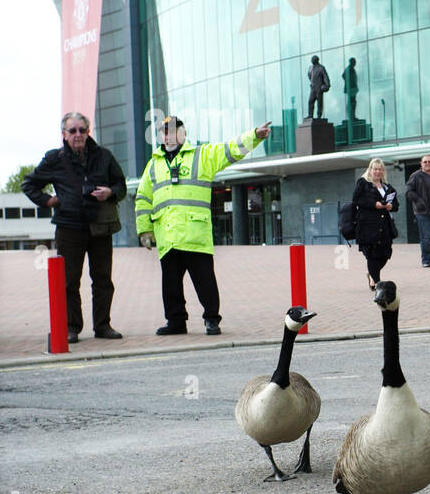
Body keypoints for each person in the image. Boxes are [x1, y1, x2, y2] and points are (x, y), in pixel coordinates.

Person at [135, 115, 271, 335]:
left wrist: (253, 136)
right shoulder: (154, 164)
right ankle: (176, 322)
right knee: (170, 285)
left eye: (172, 130)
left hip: (194, 234)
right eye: (164, 132)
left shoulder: (202, 155)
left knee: (205, 281)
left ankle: (211, 319)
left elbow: (230, 150)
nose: (167, 135)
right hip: (167, 236)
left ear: (183, 133)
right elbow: (143, 198)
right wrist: (144, 230)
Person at [22, 112, 127, 343]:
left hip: (100, 226)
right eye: (73, 130)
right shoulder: (54, 159)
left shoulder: (104, 156)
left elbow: (121, 185)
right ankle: (71, 327)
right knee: (69, 281)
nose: (78, 134)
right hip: (69, 227)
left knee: (102, 279)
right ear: (64, 134)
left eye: (82, 130)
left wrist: (110, 192)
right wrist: (48, 201)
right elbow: (29, 184)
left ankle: (103, 325)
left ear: (88, 131)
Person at [352, 158, 398, 288]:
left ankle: (372, 274)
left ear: (383, 171)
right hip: (367, 225)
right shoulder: (363, 183)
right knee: (372, 255)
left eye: (380, 169)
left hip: (384, 226)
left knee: (385, 254)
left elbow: (396, 204)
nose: (377, 172)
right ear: (370, 169)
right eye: (375, 169)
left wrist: (391, 206)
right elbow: (356, 200)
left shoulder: (387, 186)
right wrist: (374, 204)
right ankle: (377, 284)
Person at [342, 58, 358, 124]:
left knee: (353, 102)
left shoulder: (351, 69)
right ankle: (351, 116)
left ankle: (352, 116)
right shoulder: (349, 69)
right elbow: (343, 76)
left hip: (352, 88)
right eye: (354, 62)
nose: (355, 63)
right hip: (351, 89)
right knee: (352, 102)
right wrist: (349, 83)